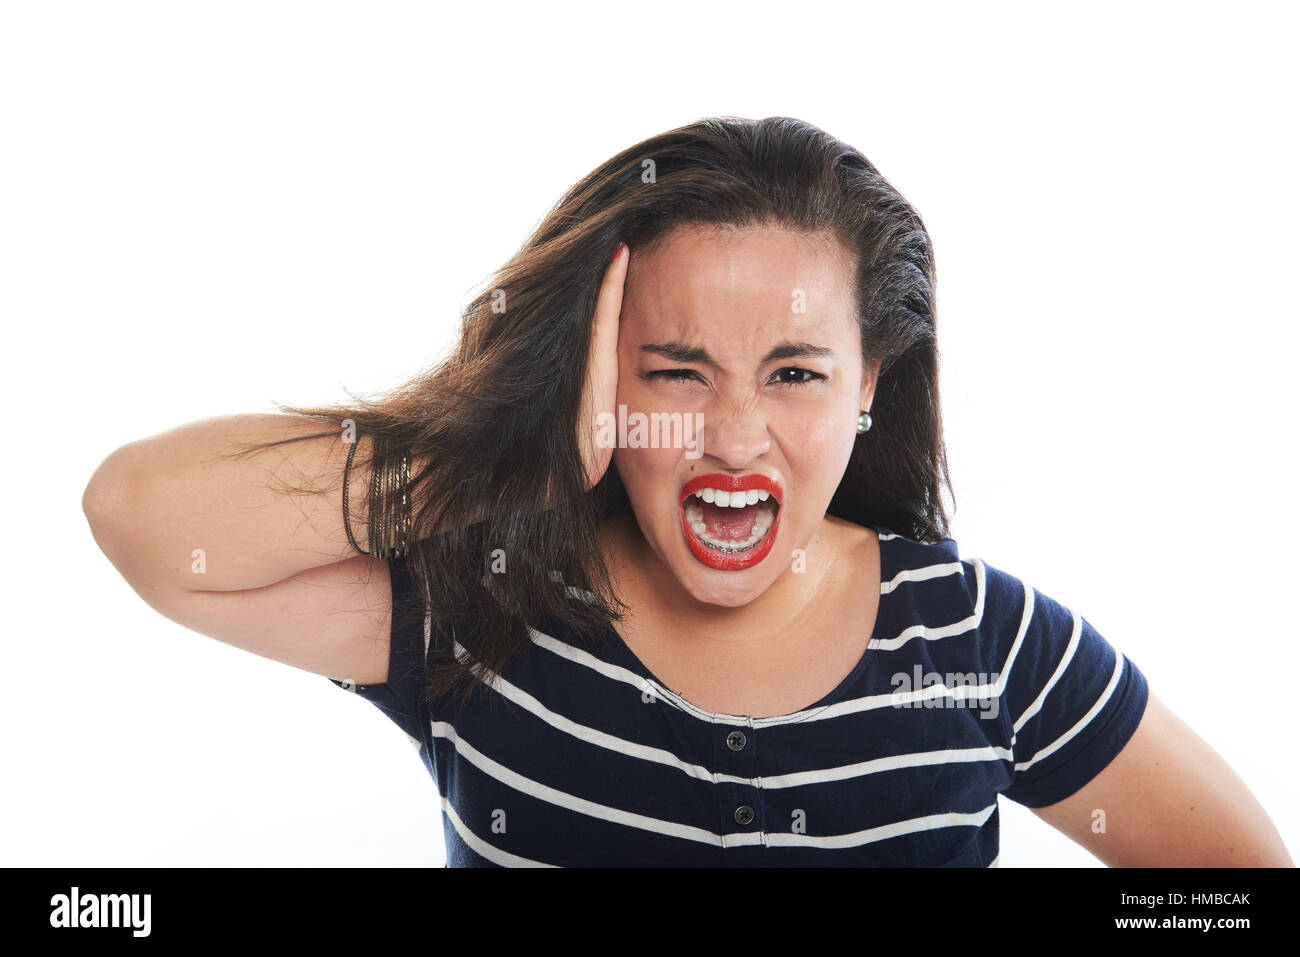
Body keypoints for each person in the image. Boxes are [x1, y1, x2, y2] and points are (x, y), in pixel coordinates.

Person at [82, 116, 1292, 867]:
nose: (732, 437)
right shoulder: (485, 606)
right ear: (601, 376)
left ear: (869, 382)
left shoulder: (977, 639)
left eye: (796, 373)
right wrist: (499, 442)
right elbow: (141, 518)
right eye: (676, 371)